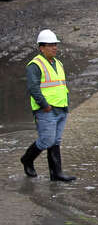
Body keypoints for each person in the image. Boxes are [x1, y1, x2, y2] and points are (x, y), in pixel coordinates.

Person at [20, 29, 76, 181]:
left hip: (61, 108)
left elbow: (61, 85)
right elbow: (33, 88)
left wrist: (66, 103)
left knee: (55, 141)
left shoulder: (58, 63)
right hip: (47, 110)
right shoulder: (35, 65)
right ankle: (27, 159)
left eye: (55, 44)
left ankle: (56, 173)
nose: (54, 47)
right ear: (41, 47)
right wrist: (45, 105)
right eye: (50, 45)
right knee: (46, 140)